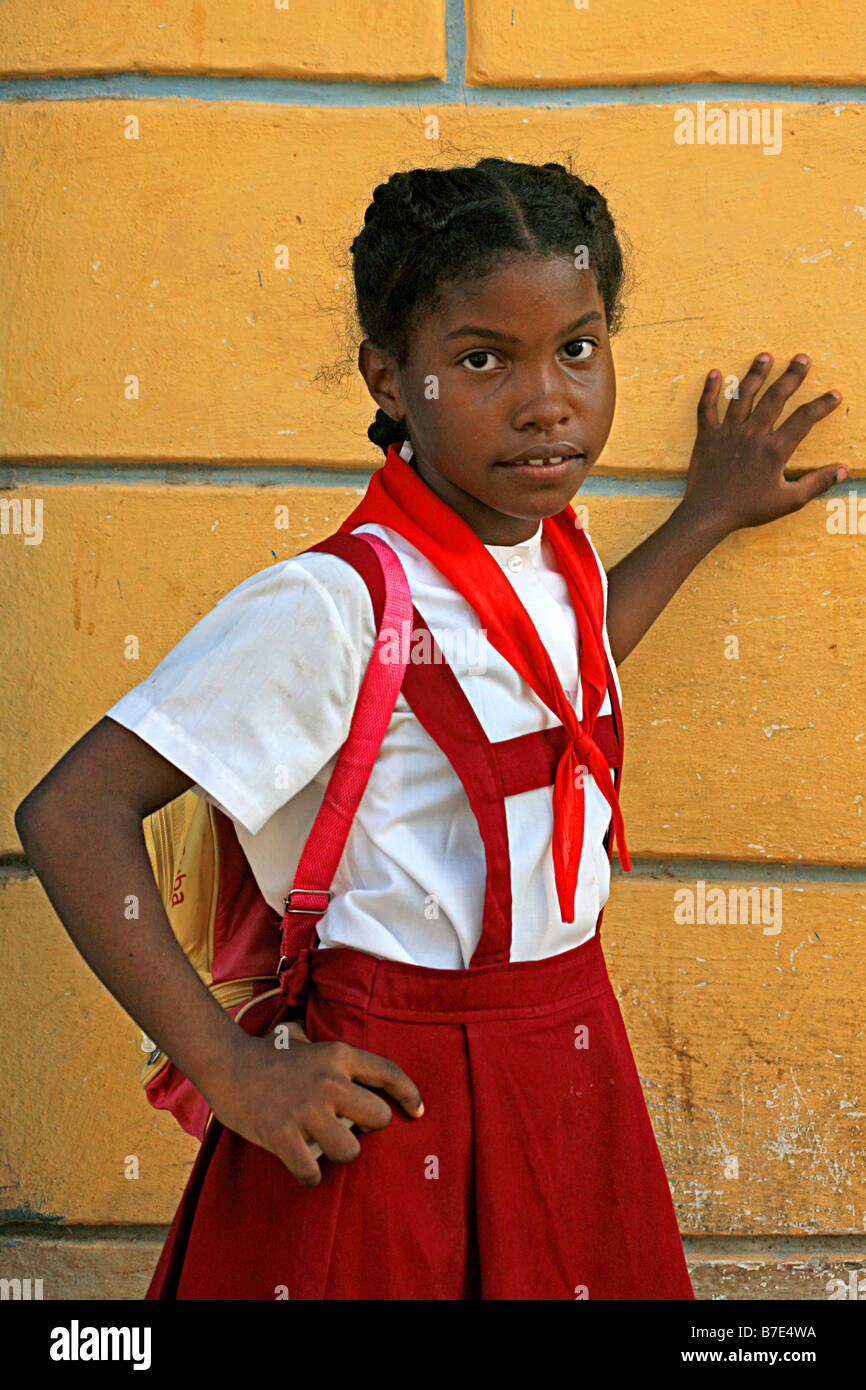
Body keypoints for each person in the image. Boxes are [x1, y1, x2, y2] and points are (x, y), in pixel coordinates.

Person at [15, 157, 845, 1301]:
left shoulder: (549, 555)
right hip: (393, 1091)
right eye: (479, 359)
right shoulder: (336, 606)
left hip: (564, 1059)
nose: (547, 398)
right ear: (391, 378)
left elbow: (572, 662)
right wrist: (233, 1071)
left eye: (578, 348)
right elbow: (71, 812)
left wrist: (702, 517)